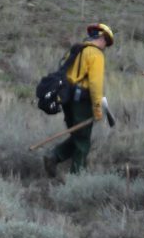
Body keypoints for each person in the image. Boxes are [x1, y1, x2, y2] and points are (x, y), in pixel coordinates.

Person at [45, 21, 114, 178]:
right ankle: (76, 179)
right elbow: (95, 85)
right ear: (101, 38)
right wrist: (97, 110)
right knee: (82, 142)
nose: (105, 46)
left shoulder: (75, 50)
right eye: (106, 42)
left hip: (67, 100)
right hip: (82, 103)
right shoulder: (96, 54)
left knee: (77, 137)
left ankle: (54, 157)